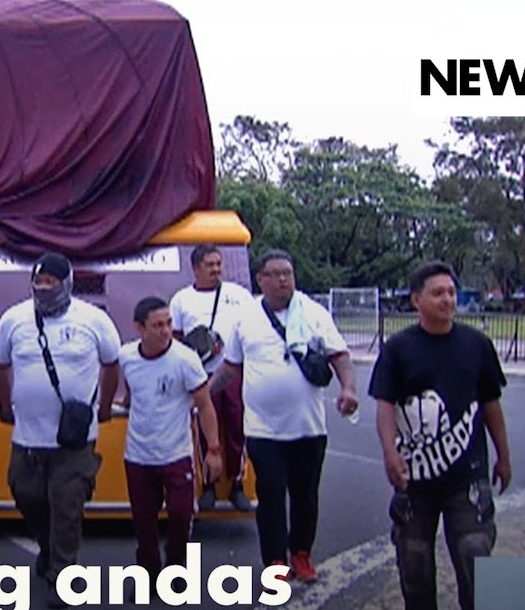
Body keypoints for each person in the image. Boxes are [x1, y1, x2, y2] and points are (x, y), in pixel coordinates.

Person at [368, 260, 512, 610]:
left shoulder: (476, 345)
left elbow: (491, 404)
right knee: (413, 555)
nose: (447, 299)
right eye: (438, 293)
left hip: (467, 476)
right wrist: (389, 455)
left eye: (451, 292)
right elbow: (384, 406)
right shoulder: (398, 349)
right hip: (415, 478)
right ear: (417, 300)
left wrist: (503, 455)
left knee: (475, 553)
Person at [211, 249, 358, 584]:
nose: (282, 280)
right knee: (271, 495)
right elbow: (231, 368)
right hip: (263, 430)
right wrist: (203, 394)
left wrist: (348, 388)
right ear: (260, 279)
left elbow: (340, 355)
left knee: (306, 496)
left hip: (308, 428)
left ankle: (301, 554)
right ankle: (276, 562)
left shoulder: (313, 313)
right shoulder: (246, 317)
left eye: (287, 274)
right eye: (274, 274)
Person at [0, 252, 121, 609]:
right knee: (26, 494)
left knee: (66, 504)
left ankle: (62, 575)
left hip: (75, 437)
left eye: (51, 282)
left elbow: (111, 364)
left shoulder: (93, 319)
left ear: (67, 284)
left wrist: (105, 406)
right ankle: (48, 549)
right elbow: (0, 364)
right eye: (39, 281)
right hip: (27, 436)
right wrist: (4, 406)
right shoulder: (13, 319)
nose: (44, 288)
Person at [119, 296, 222, 586]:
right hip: (138, 455)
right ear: (139, 328)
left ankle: (176, 566)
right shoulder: (127, 357)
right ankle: (148, 573)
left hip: (176, 454)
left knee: (180, 515)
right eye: (157, 325)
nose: (165, 331)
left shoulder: (185, 360)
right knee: (144, 522)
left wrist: (213, 449)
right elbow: (131, 391)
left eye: (168, 324)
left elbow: (204, 405)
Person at [169, 244, 252, 511]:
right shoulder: (181, 300)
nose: (216, 269)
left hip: (233, 371)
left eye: (219, 264)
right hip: (201, 375)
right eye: (209, 265)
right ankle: (209, 486)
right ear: (195, 269)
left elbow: (252, 329)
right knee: (204, 430)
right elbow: (177, 340)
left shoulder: (239, 295)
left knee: (237, 424)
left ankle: (237, 483)